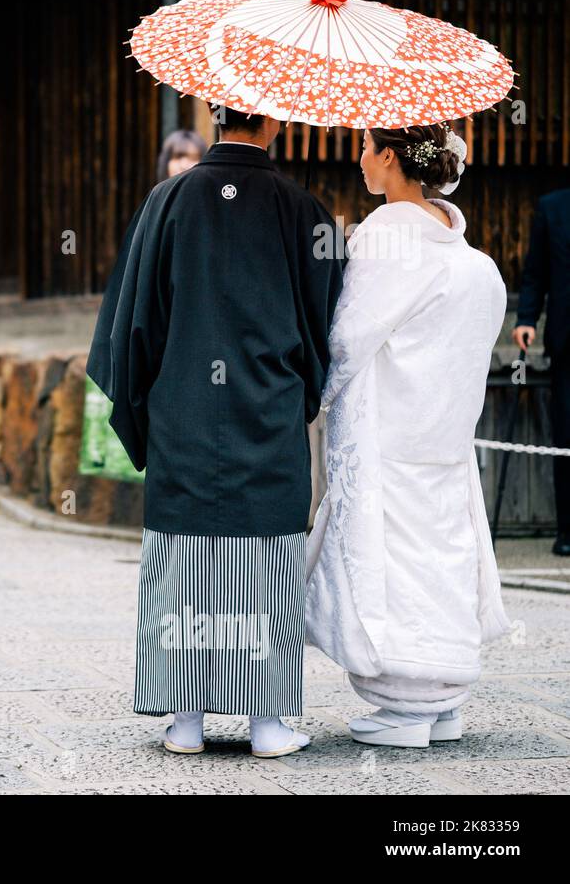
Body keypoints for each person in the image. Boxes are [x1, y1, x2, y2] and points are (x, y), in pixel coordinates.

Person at [86, 106, 343, 758]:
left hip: (183, 414)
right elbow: (324, 326)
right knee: (266, 565)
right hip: (269, 413)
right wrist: (300, 390)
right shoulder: (302, 209)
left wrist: (147, 409)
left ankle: (185, 721)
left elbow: (133, 322)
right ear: (277, 122)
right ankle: (267, 724)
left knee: (186, 566)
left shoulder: (167, 200)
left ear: (215, 115)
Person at [306, 125, 509, 748]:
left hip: (389, 436)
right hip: (444, 438)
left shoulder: (385, 239)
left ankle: (406, 705)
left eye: (366, 147)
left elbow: (345, 340)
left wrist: (309, 390)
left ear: (389, 156)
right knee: (442, 549)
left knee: (391, 557)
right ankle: (444, 702)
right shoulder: (475, 264)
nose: (359, 159)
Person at [514, 188, 570, 555]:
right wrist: (526, 319)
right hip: (567, 343)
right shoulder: (552, 207)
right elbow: (535, 273)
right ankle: (567, 529)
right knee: (565, 437)